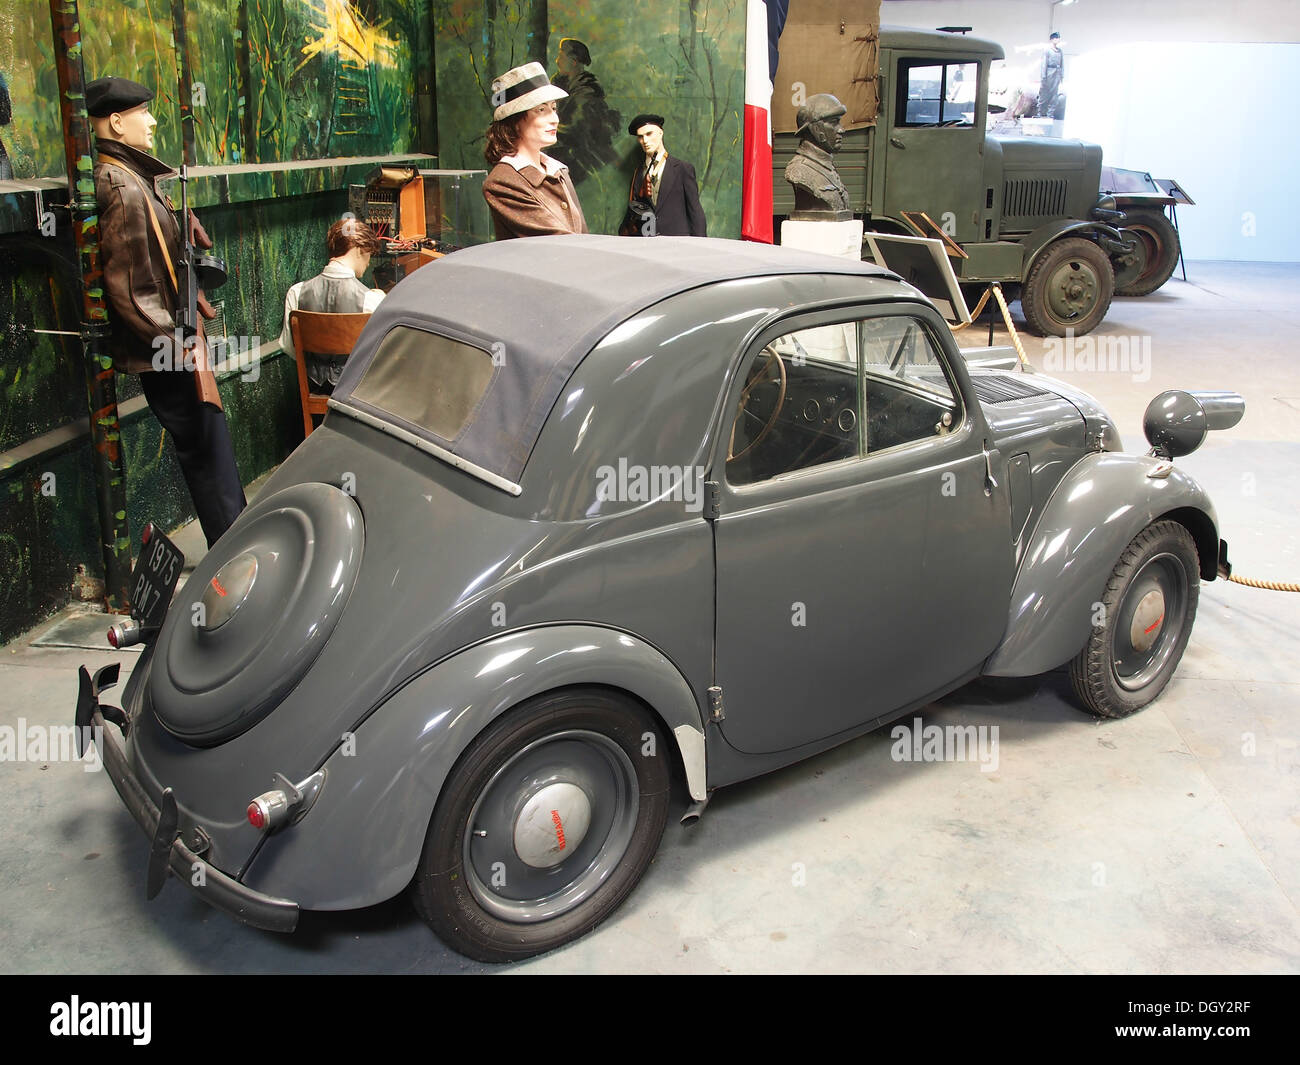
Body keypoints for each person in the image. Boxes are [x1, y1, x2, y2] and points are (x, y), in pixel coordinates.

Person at [89, 75, 245, 548]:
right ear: (116, 121)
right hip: (167, 346)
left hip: (173, 340)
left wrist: (180, 225)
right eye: (142, 113)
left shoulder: (133, 178)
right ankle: (234, 550)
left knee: (210, 446)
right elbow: (131, 291)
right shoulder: (121, 186)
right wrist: (177, 349)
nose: (152, 121)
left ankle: (235, 542)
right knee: (206, 450)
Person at [482, 63, 588, 240]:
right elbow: (557, 244)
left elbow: (584, 236)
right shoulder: (503, 182)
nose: (554, 119)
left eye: (553, 108)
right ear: (515, 121)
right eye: (541, 110)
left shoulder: (558, 170)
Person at [279, 218, 385, 394]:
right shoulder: (372, 300)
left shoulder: (296, 293)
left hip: (313, 388)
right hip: (357, 395)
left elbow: (288, 347)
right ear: (359, 249)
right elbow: (380, 357)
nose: (368, 263)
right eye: (369, 255)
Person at [620, 114, 707, 238]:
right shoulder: (638, 173)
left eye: (649, 134)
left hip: (678, 243)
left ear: (661, 133)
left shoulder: (683, 169)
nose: (644, 140)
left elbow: (695, 211)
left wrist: (701, 245)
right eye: (640, 136)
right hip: (646, 243)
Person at [551, 38, 621, 185]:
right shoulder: (560, 85)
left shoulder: (587, 92)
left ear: (574, 61)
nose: (557, 61)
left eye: (561, 56)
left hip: (584, 161)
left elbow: (574, 128)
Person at [784, 93, 852, 220]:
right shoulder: (799, 170)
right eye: (834, 123)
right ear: (815, 129)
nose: (841, 130)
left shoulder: (826, 166)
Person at [1039, 32, 1064, 121]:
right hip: (1049, 73)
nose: (1057, 40)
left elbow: (1062, 64)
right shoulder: (1047, 50)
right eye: (1056, 38)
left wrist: (1062, 76)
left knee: (1054, 95)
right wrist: (1043, 76)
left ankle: (1050, 113)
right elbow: (1044, 64)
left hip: (1056, 74)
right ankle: (1040, 112)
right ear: (1052, 39)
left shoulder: (1060, 51)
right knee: (1044, 94)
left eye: (1058, 38)